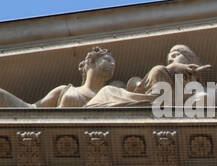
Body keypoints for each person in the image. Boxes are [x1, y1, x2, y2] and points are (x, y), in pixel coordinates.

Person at [0, 46, 161, 108]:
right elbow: (31, 110)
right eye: (108, 60)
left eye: (114, 63)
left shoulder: (116, 90)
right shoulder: (65, 91)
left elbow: (140, 95)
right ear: (90, 63)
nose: (113, 65)